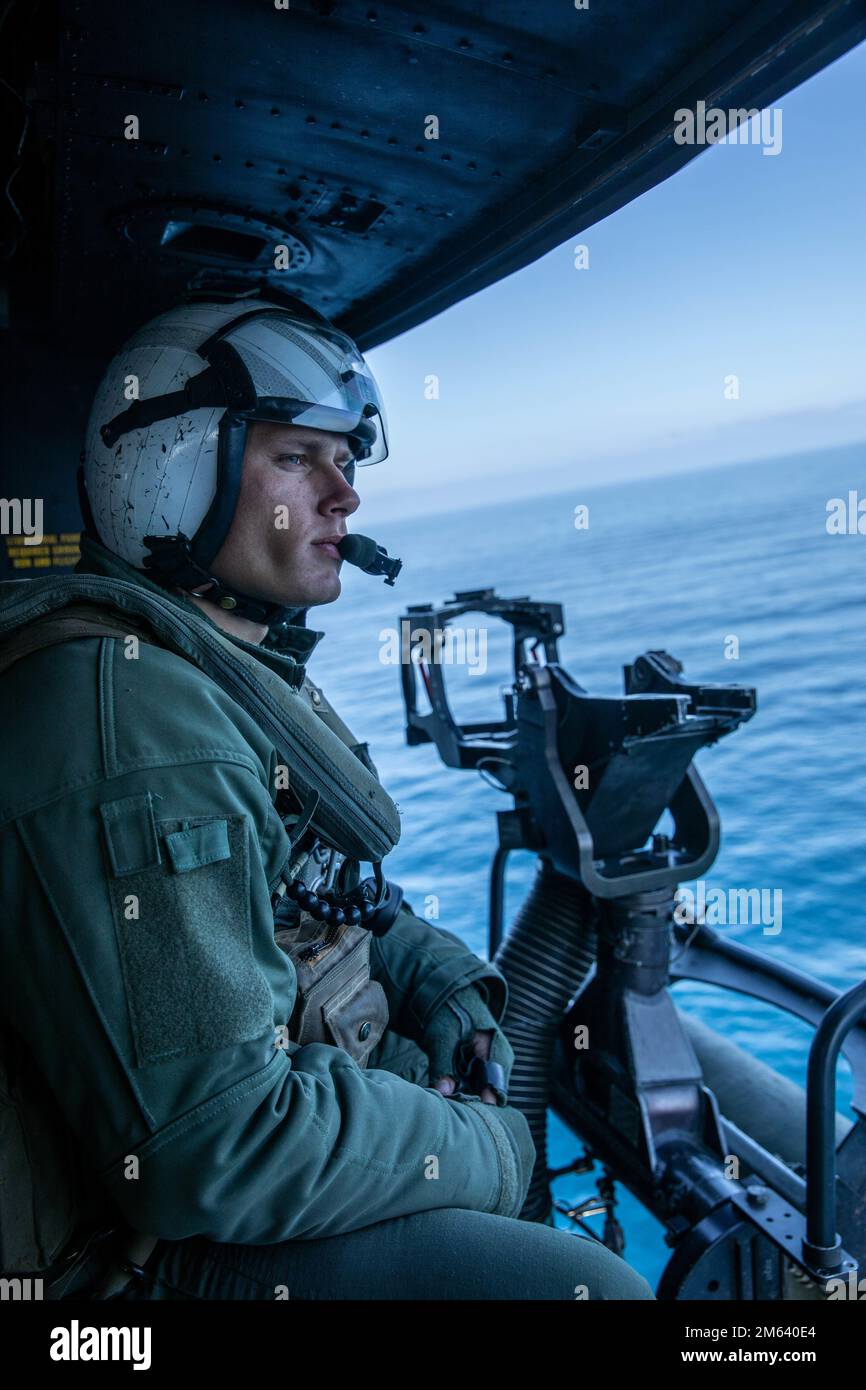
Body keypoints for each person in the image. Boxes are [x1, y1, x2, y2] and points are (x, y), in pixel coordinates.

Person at [0, 291, 654, 1300]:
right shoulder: (134, 721)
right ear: (172, 471)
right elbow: (216, 1147)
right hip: (125, 1260)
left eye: (345, 461)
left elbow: (319, 882)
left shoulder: (211, 671)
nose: (344, 498)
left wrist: (448, 989)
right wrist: (481, 1142)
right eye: (298, 458)